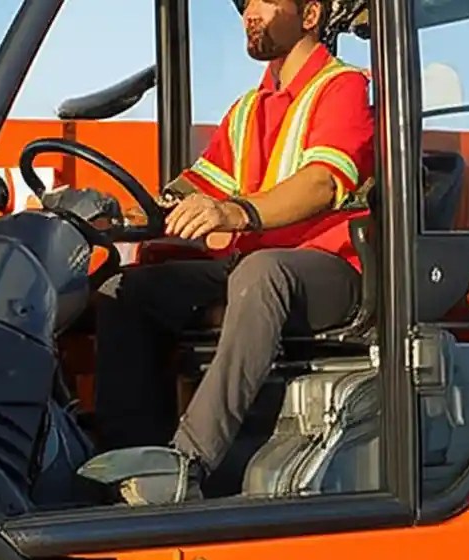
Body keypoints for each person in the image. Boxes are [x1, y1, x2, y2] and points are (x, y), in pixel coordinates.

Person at [82, 0, 375, 505]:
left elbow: (323, 183)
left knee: (261, 272)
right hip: (255, 268)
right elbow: (197, 186)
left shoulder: (343, 88)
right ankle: (130, 459)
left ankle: (188, 461)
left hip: (335, 270)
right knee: (124, 290)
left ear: (310, 16)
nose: (249, 14)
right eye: (244, 7)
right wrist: (126, 216)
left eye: (264, 2)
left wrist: (236, 213)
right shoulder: (246, 110)